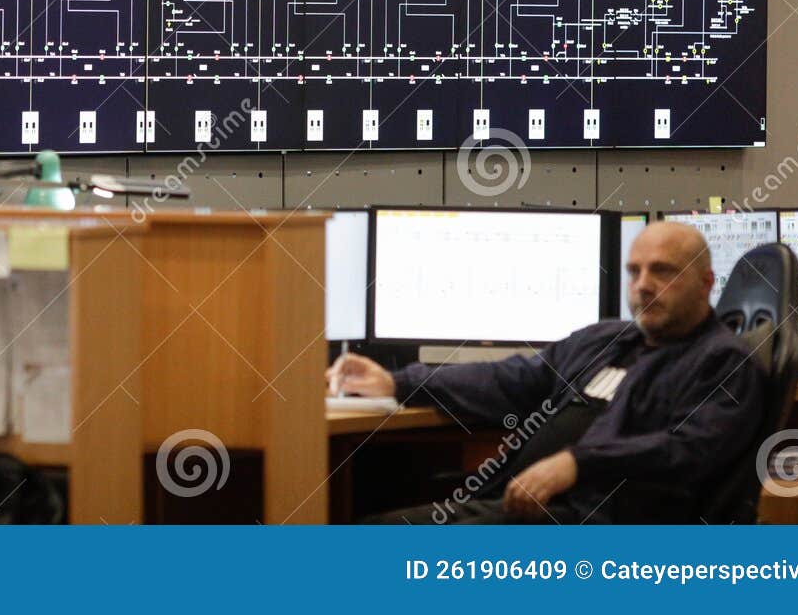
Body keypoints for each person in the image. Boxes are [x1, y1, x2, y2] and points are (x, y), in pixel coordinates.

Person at [327, 221, 767, 523]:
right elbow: (512, 379)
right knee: (372, 525)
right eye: (635, 271)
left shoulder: (722, 361)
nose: (643, 285)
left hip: (601, 525)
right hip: (523, 508)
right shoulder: (607, 340)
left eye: (663, 272)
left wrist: (578, 464)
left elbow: (685, 451)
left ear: (707, 282)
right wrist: (399, 382)